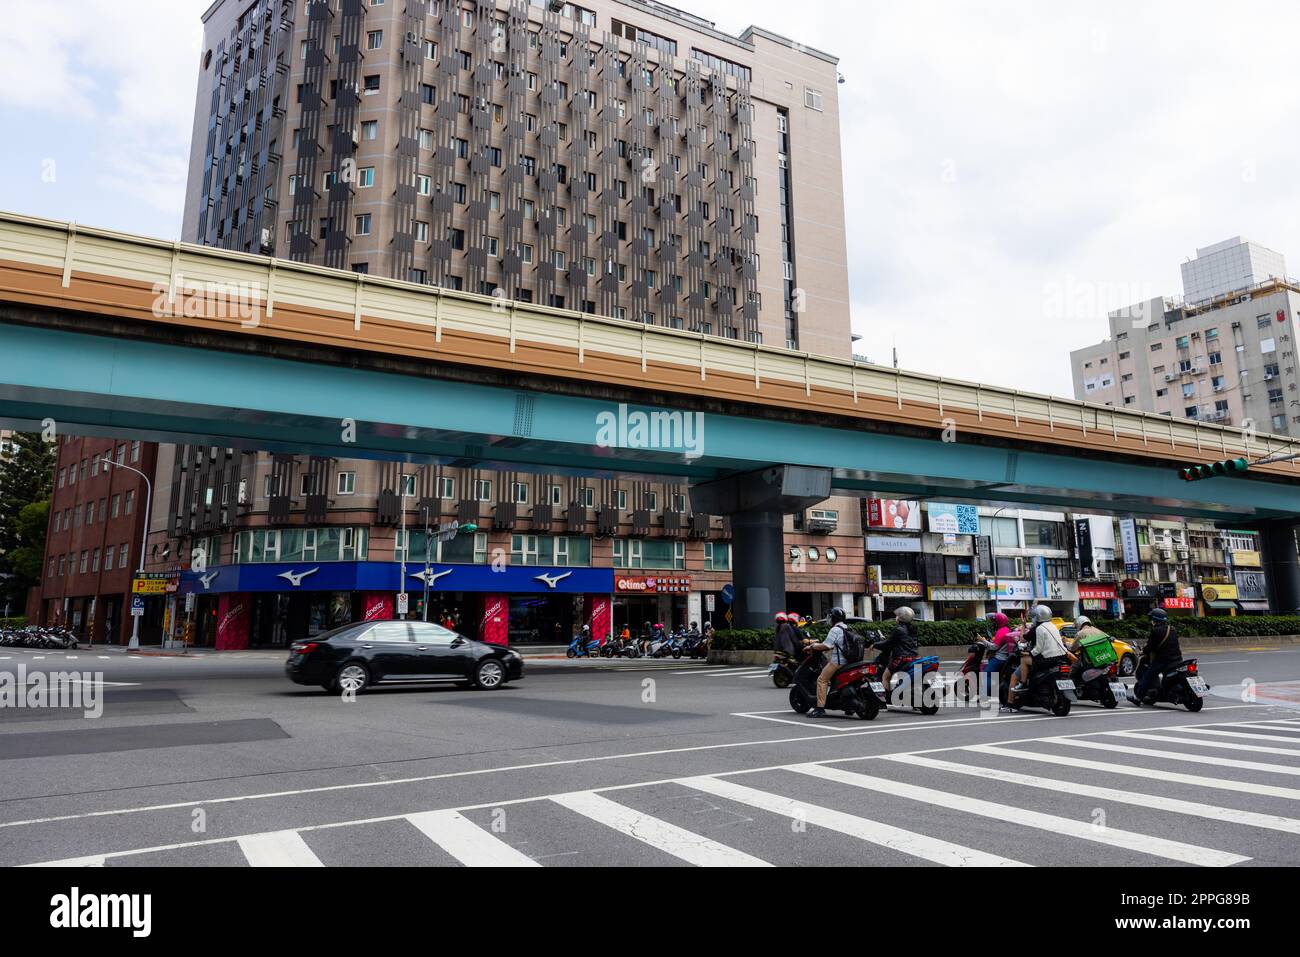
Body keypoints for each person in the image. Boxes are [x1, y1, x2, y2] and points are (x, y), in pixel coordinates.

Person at [1007, 605, 1068, 706]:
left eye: (1033, 617)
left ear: (1037, 617)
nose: (1033, 619)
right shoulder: (1052, 626)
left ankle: (1022, 683)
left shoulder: (1039, 628)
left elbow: (1038, 648)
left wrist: (1029, 653)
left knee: (1023, 660)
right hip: (1061, 657)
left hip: (1047, 659)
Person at [804, 607, 851, 717]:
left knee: (821, 679)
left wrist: (812, 646)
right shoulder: (847, 627)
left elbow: (826, 645)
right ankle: (848, 707)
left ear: (833, 618)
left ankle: (820, 708)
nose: (828, 619)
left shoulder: (835, 629)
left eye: (829, 617)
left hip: (838, 662)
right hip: (850, 661)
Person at [1133, 608, 1182, 705]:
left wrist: (1144, 652)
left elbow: (1150, 646)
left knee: (1147, 676)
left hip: (1162, 661)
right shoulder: (1172, 629)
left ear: (1155, 619)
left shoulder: (1156, 631)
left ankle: (1138, 698)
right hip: (1177, 659)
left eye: (1151, 618)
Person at [873, 606, 919, 702]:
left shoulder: (899, 629)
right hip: (914, 657)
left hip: (901, 658)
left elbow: (888, 643)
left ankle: (886, 698)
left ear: (901, 617)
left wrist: (875, 645)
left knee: (885, 676)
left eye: (897, 616)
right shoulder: (913, 629)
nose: (896, 618)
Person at [979, 612, 1015, 696]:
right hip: (1007, 657)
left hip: (1000, 658)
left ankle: (984, 695)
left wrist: (983, 640)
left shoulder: (1001, 631)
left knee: (987, 673)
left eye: (994, 621)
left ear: (998, 622)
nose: (993, 623)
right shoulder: (1007, 629)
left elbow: (994, 647)